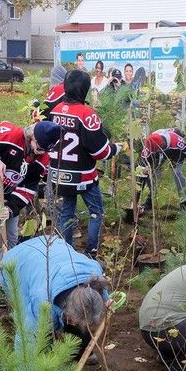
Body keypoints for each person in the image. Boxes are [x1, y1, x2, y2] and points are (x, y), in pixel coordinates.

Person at [0, 120, 55, 306]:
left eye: (45, 150)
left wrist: (11, 208)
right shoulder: (12, 134)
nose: (40, 152)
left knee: (12, 237)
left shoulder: (43, 158)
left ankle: (7, 279)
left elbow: (29, 186)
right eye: (38, 147)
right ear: (31, 137)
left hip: (9, 198)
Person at [46, 69, 118, 258]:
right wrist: (116, 148)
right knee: (96, 212)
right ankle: (90, 252)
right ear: (85, 90)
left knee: (66, 214)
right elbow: (100, 151)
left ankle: (65, 253)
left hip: (58, 174)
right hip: (83, 176)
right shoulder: (87, 115)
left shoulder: (53, 110)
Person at [0, 235, 110, 349]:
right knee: (35, 325)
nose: (76, 324)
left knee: (79, 322)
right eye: (73, 321)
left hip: (51, 244)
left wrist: (106, 300)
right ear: (65, 310)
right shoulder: (40, 300)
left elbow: (99, 287)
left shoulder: (93, 271)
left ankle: (79, 349)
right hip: (15, 264)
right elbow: (26, 338)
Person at [137, 128, 186, 208]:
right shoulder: (148, 149)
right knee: (154, 175)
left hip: (177, 151)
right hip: (159, 153)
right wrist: (135, 200)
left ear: (162, 144)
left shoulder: (178, 142)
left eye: (156, 150)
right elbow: (140, 174)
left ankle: (185, 202)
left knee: (176, 173)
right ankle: (149, 203)